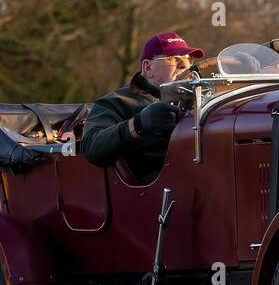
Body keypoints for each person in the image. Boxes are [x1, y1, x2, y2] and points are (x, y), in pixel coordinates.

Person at [79, 31, 203, 183]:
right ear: (148, 67)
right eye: (174, 59)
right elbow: (91, 148)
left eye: (188, 59)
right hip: (157, 192)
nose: (184, 65)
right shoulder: (117, 102)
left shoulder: (199, 100)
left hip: (201, 179)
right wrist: (138, 123)